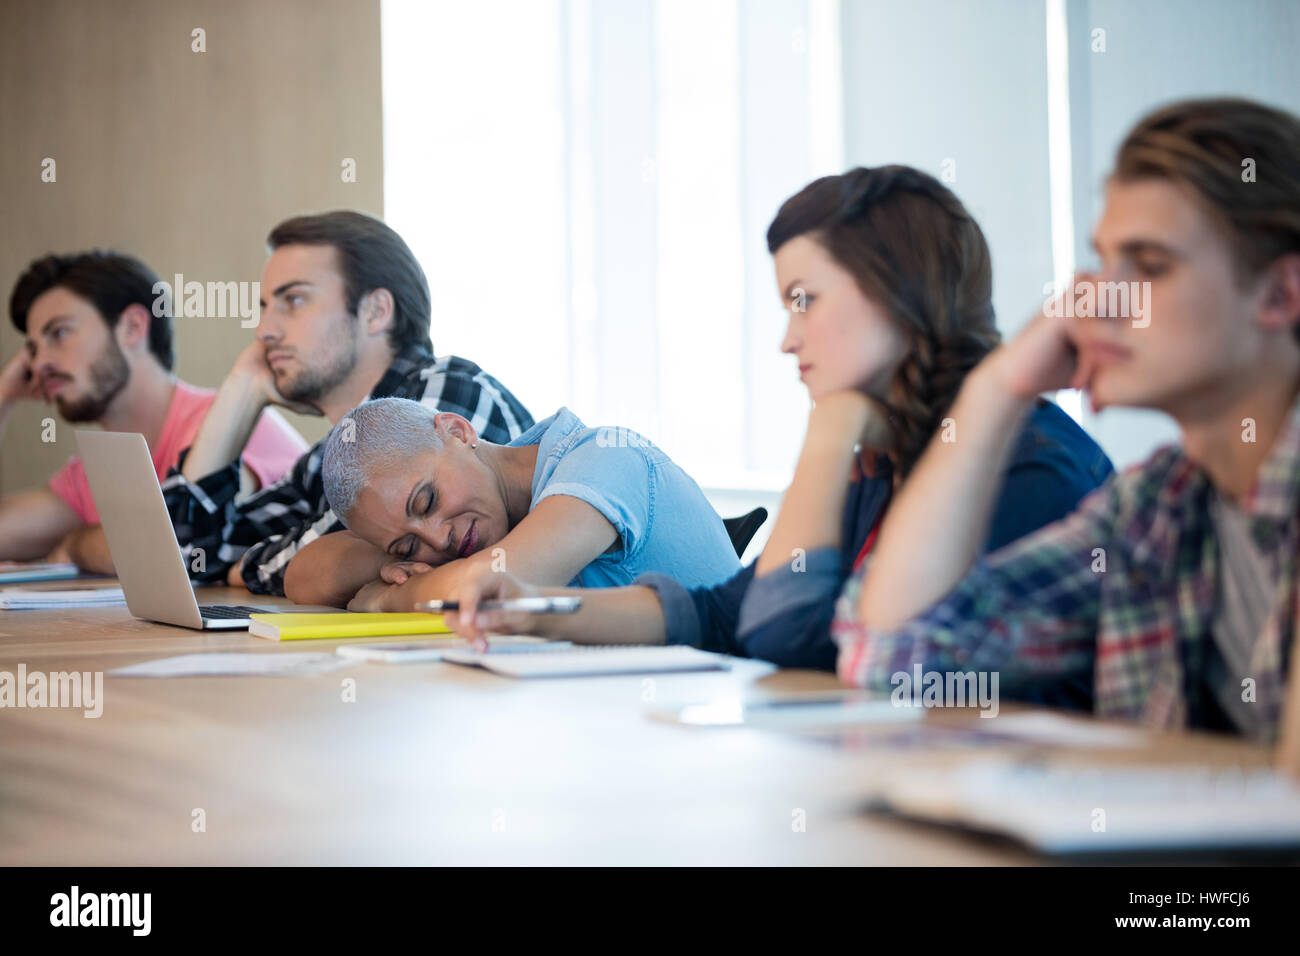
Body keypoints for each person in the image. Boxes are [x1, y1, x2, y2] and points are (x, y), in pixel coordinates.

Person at [441, 166, 1112, 699]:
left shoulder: (1027, 471)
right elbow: (731, 612)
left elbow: (787, 633)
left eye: (805, 301)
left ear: (898, 295)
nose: (789, 340)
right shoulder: (890, 457)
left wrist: (830, 430)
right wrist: (537, 610)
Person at [838, 98, 1300, 740]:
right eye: (1105, 263)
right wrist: (999, 386)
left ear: (1279, 295)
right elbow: (897, 664)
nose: (1095, 302)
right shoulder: (1156, 512)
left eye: (1151, 266)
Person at [161, 211, 534, 595]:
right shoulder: (330, 458)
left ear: (375, 312)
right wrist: (241, 392)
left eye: (293, 299)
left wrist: (245, 567)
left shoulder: (446, 392)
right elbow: (189, 557)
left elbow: (316, 558)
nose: (264, 332)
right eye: (265, 307)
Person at [0, 251, 305, 573]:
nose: (38, 363)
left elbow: (172, 545)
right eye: (32, 349)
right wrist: (3, 396)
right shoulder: (92, 473)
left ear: (132, 327)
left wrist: (77, 544)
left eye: (59, 333)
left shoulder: (234, 421)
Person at [303, 399, 740, 610]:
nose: (438, 538)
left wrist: (387, 599)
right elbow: (306, 576)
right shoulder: (465, 532)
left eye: (428, 500)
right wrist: (400, 564)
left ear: (457, 432)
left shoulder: (604, 459)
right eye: (406, 547)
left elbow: (500, 582)